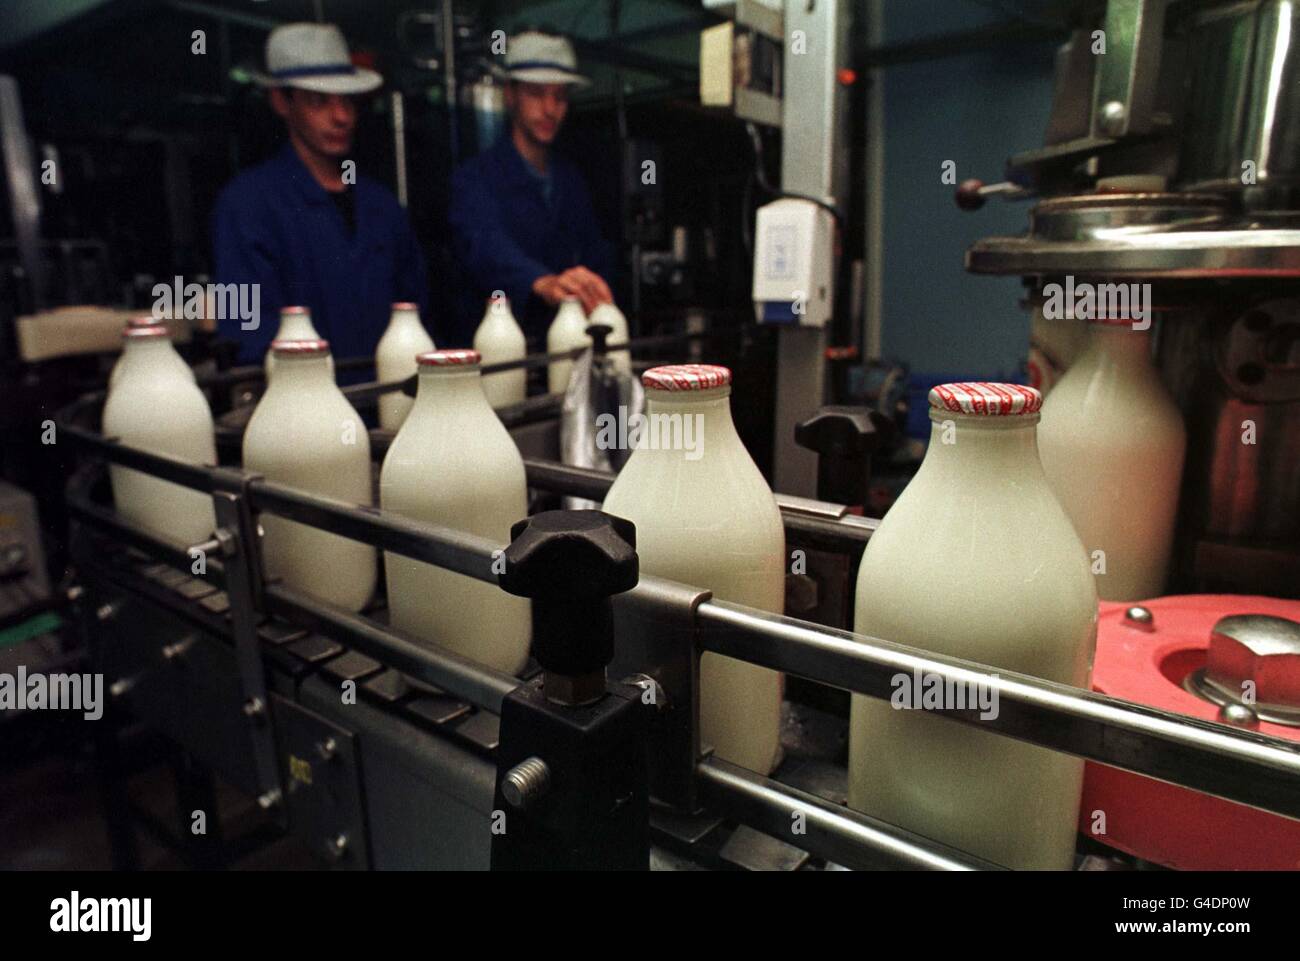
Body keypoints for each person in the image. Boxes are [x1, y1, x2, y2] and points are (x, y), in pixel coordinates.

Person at [212, 23, 429, 364]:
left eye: (347, 101)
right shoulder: (246, 206)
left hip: (391, 393)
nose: (341, 117)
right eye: (319, 101)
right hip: (300, 395)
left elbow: (417, 313)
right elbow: (244, 329)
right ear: (281, 101)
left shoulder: (381, 206)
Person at [448, 31, 615, 341]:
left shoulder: (571, 181)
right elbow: (485, 246)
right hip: (498, 348)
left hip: (566, 343)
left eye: (560, 96)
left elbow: (594, 253)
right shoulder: (475, 178)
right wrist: (541, 281)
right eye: (537, 93)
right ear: (510, 95)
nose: (550, 109)